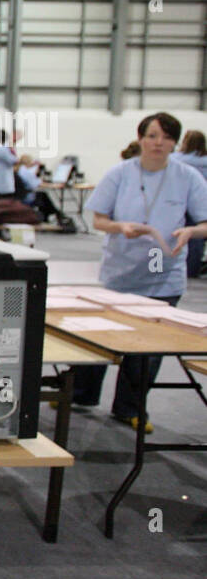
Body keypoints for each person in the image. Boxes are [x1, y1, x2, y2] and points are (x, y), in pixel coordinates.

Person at [71, 112, 207, 429]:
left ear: (175, 142)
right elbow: (99, 220)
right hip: (122, 270)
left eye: (166, 137)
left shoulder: (188, 177)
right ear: (141, 139)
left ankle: (130, 407)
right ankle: (81, 393)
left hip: (165, 271)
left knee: (148, 348)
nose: (158, 142)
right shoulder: (119, 174)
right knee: (103, 336)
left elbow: (204, 222)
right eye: (152, 135)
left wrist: (190, 233)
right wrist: (121, 226)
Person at [171, 130, 207, 277]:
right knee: (196, 234)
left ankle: (162, 267)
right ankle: (192, 269)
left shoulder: (174, 159)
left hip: (178, 200)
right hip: (201, 201)